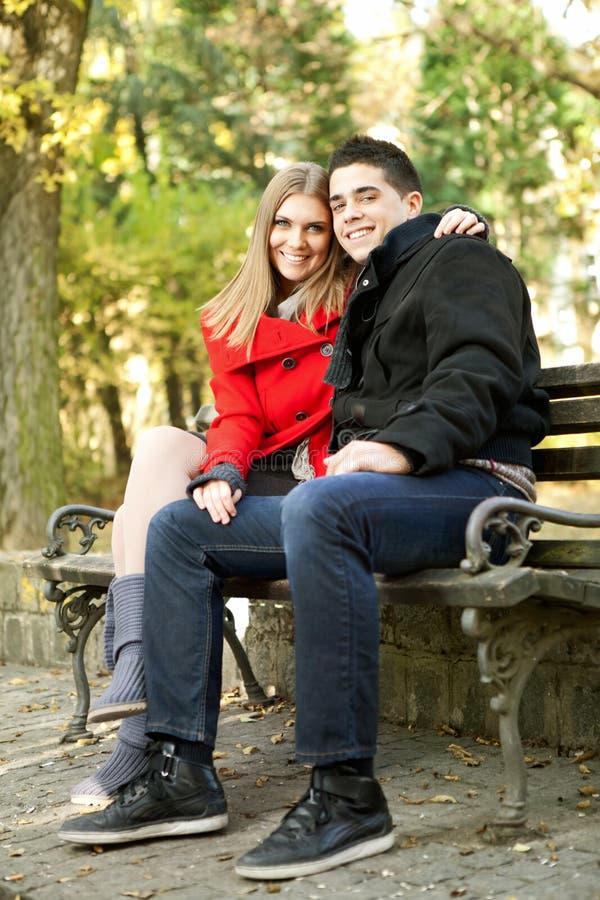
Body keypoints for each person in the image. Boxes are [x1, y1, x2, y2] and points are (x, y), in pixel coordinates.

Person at [71, 161, 484, 806]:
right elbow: (235, 412)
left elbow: (409, 253)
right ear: (263, 227)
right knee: (154, 451)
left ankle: (136, 730)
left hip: (317, 477)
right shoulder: (230, 314)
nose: (297, 241)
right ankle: (137, 684)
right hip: (257, 469)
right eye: (283, 224)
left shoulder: (358, 293)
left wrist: (459, 222)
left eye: (317, 227)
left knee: (137, 522)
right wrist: (224, 468)